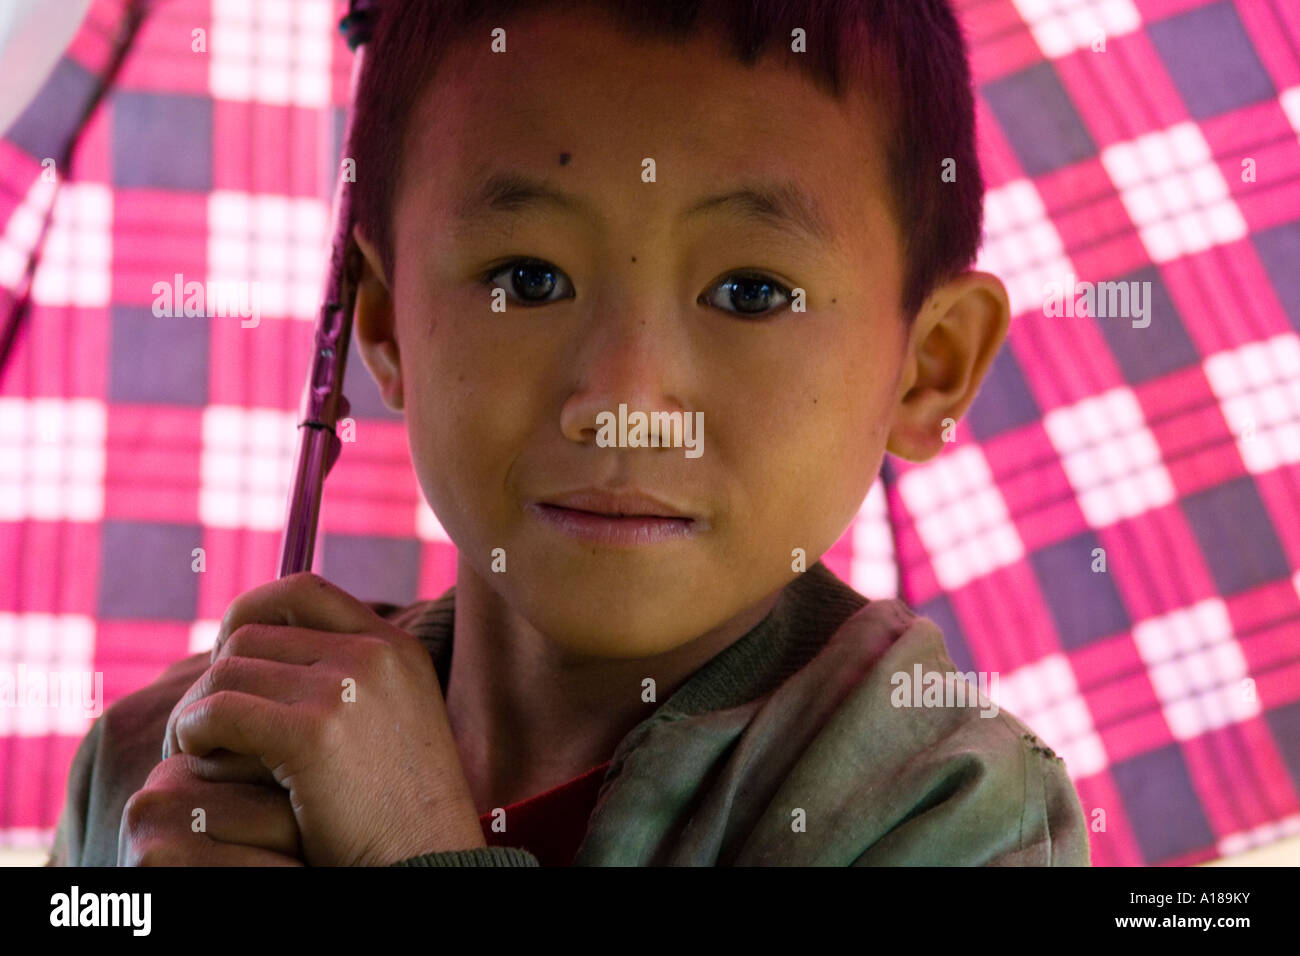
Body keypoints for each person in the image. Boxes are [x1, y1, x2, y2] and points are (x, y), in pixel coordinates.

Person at [49, 0, 1090, 867]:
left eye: (750, 290)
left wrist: (413, 851)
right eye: (525, 279)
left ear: (930, 366)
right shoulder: (156, 770)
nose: (622, 397)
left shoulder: (941, 804)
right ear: (379, 319)